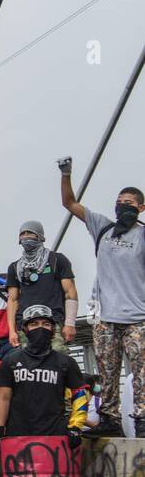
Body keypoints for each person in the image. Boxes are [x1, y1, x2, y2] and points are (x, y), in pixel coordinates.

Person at [58, 156, 145, 437]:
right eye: (119, 202)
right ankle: (110, 420)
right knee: (108, 371)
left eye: (129, 203)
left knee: (142, 371)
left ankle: (142, 419)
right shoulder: (103, 228)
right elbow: (70, 203)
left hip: (138, 318)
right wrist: (66, 174)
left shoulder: (142, 235)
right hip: (106, 317)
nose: (122, 207)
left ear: (141, 208)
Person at [0, 305, 88, 442]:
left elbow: (79, 394)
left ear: (52, 329)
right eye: (34, 324)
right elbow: (3, 398)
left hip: (56, 435)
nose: (40, 328)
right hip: (18, 435)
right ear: (25, 329)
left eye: (46, 324)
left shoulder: (66, 362)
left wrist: (75, 427)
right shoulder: (11, 360)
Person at [5, 220, 77, 354]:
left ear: (40, 236)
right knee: (29, 362)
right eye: (23, 234)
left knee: (58, 356)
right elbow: (12, 300)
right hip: (25, 323)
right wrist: (12, 331)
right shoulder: (15, 267)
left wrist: (70, 324)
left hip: (53, 321)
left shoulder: (57, 260)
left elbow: (70, 293)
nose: (26, 237)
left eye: (30, 233)